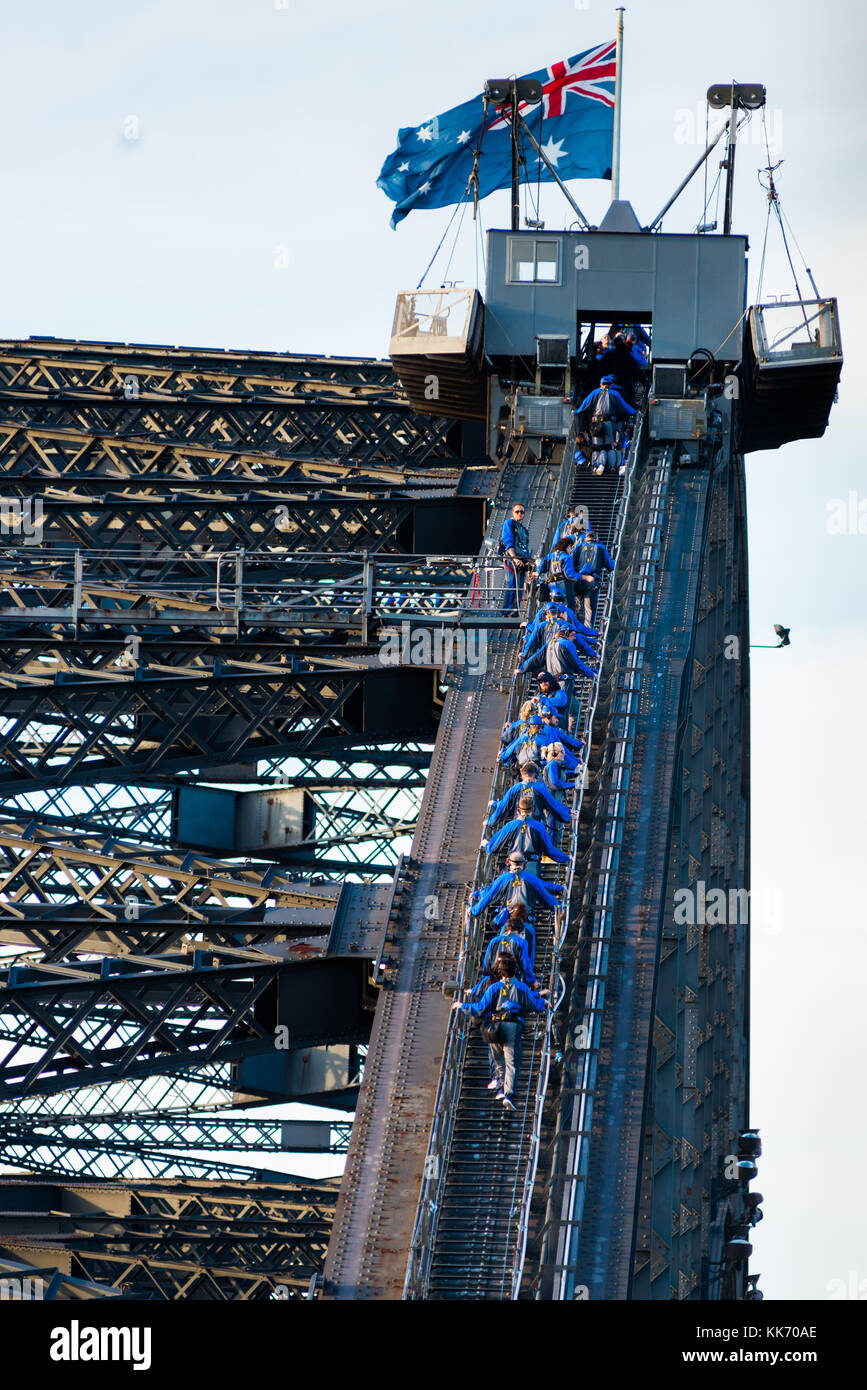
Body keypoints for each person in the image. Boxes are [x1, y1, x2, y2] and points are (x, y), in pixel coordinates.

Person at [452, 955, 550, 1109]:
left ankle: (499, 1087)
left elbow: (480, 1007)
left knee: (498, 1058)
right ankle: (508, 1093)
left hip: (494, 1025)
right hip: (512, 1025)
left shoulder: (494, 988)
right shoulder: (521, 987)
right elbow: (533, 1004)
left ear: (501, 972)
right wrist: (544, 1004)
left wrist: (462, 1005)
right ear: (514, 970)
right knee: (512, 1061)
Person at [482, 793, 570, 866]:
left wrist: (487, 845)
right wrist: (566, 858)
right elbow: (549, 850)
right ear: (533, 809)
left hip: (514, 863)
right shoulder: (539, 826)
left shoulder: (511, 825)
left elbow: (496, 844)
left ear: (519, 810)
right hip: (533, 864)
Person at [470, 850, 564, 916]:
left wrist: (474, 908)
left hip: (509, 917)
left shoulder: (503, 879)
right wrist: (558, 906)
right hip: (526, 917)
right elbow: (545, 895)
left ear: (508, 863)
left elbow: (489, 895)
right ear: (524, 863)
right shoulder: (531, 878)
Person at [487, 761, 571, 830]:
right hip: (537, 825)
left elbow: (503, 806)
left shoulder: (515, 788)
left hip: (519, 824)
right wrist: (568, 815)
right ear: (536, 774)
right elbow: (553, 805)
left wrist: (490, 822)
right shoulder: (541, 787)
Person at [500, 502, 530, 614]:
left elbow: (525, 546)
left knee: (520, 586)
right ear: (513, 513)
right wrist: (514, 558)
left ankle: (514, 610)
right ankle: (507, 610)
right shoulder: (509, 523)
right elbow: (507, 541)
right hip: (512, 559)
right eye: (517, 512)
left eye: (522, 512)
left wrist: (528, 562)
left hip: (522, 560)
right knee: (512, 584)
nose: (519, 514)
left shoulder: (524, 530)